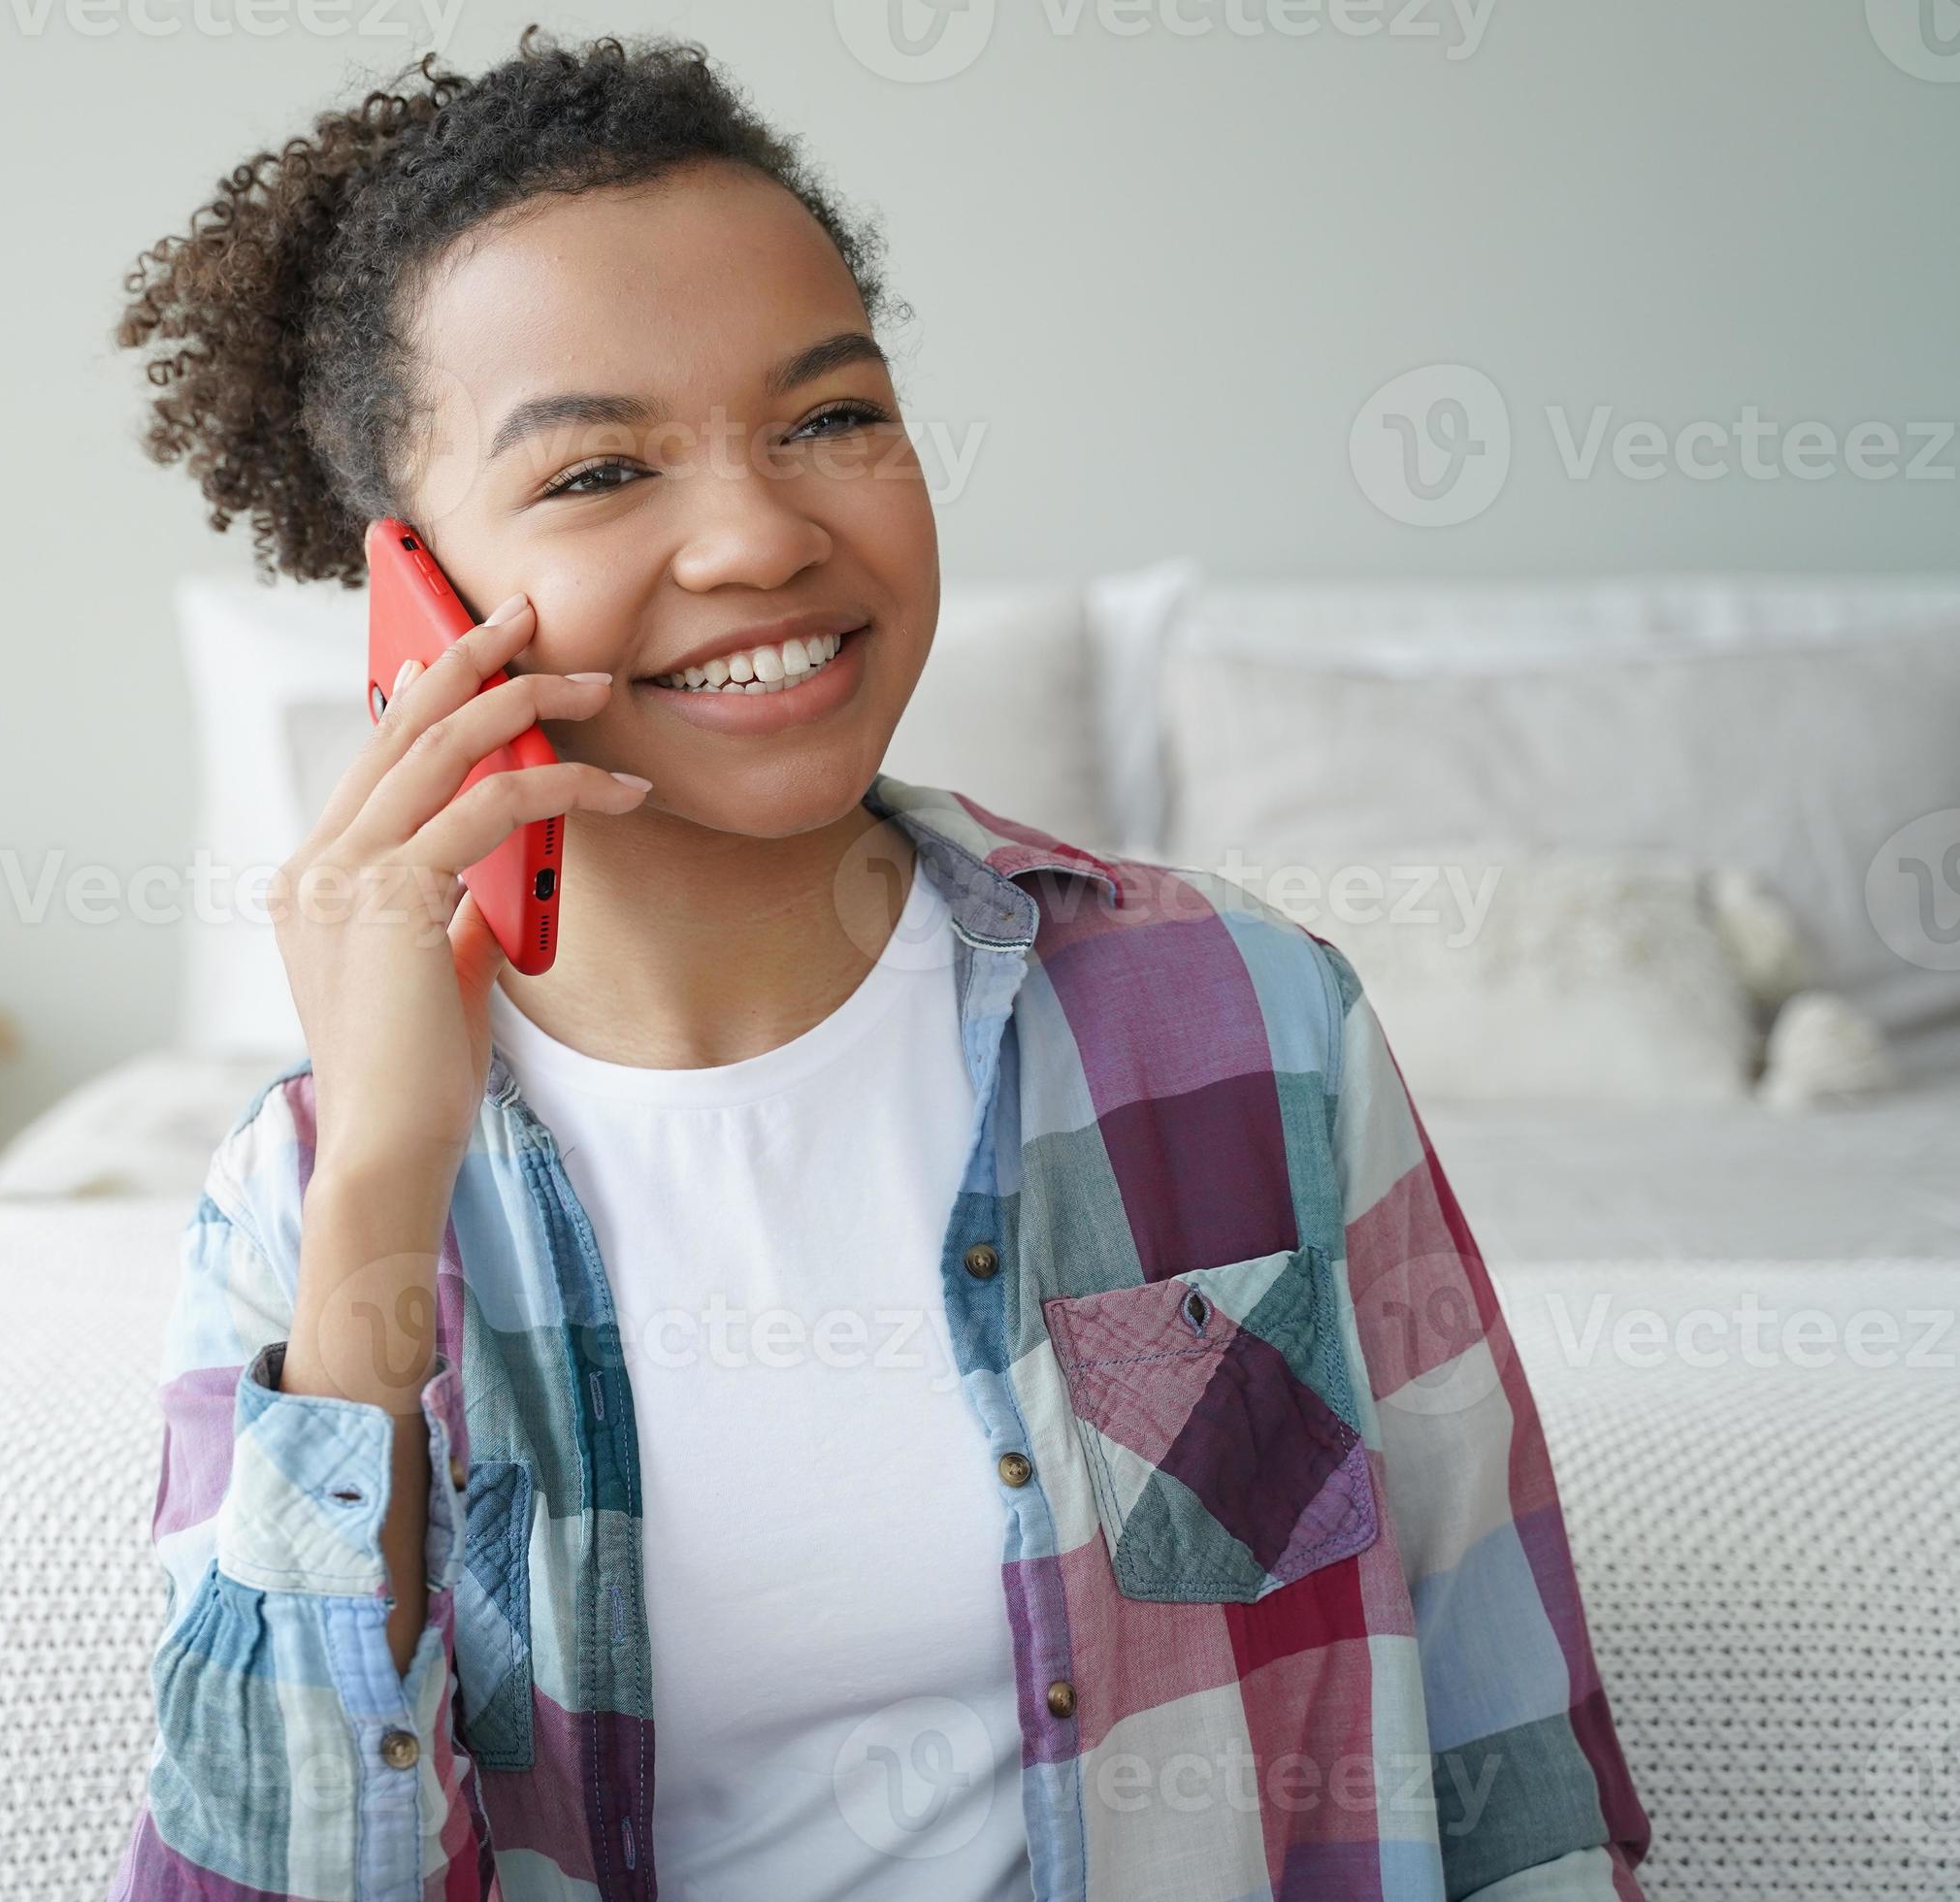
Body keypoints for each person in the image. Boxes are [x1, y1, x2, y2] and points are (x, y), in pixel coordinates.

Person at [105, 28, 1648, 1901]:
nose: (762, 535)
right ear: (410, 599)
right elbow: (251, 1877)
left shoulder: (1249, 1016)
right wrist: (376, 1202)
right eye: (599, 470)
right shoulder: (302, 1194)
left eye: (832, 419)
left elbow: (1512, 1753)